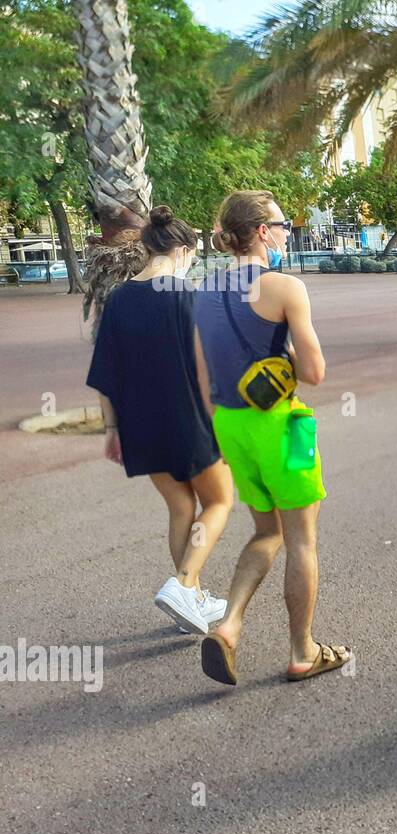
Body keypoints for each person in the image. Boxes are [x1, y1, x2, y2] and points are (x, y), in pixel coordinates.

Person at [192, 190, 351, 686]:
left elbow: (201, 375)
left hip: (229, 424)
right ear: (262, 231)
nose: (286, 234)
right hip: (281, 425)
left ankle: (229, 625)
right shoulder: (285, 287)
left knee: (267, 532)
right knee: (302, 538)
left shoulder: (201, 292)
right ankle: (303, 651)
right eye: (282, 226)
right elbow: (316, 372)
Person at [86, 206, 233, 635]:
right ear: (184, 251)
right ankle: (185, 584)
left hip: (140, 425)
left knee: (181, 507)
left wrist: (112, 430)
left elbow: (104, 374)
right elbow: (209, 370)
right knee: (220, 502)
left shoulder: (118, 300)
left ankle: (194, 602)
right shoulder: (189, 297)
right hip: (188, 420)